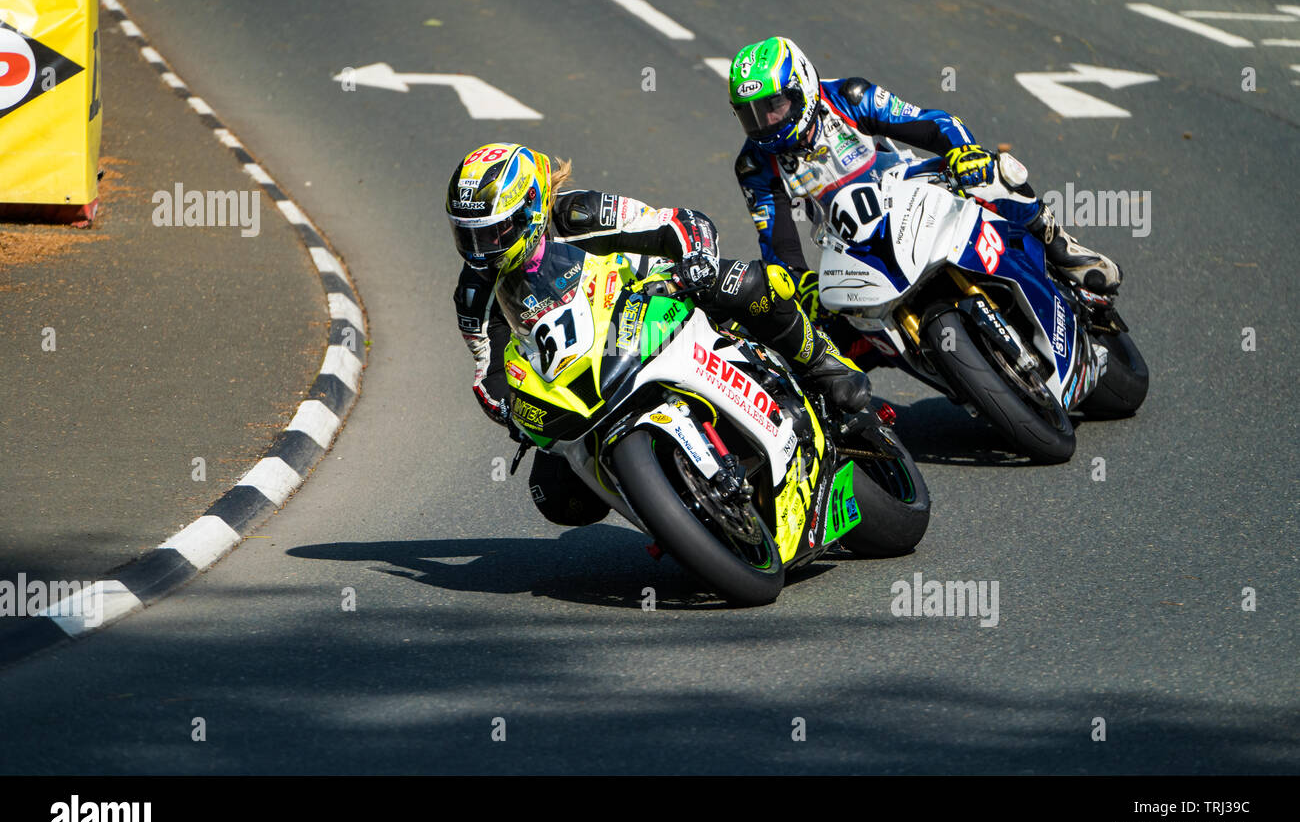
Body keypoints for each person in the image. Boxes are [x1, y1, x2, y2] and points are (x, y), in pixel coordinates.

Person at [448, 142, 871, 527]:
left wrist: (696, 262)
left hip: (656, 299)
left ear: (532, 208)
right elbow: (490, 374)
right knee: (556, 497)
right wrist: (513, 411)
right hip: (581, 376)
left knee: (754, 283)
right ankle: (680, 514)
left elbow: (678, 223)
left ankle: (825, 363)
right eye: (467, 235)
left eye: (492, 232)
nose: (480, 249)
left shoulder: (579, 215)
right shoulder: (474, 295)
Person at [728, 36, 1122, 328]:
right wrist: (799, 286)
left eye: (774, 107)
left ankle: (1061, 247)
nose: (767, 124)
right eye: (753, 115)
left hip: (910, 187)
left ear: (803, 88)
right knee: (821, 323)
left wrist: (963, 151)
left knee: (995, 173)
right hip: (851, 245)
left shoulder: (850, 96)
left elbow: (933, 125)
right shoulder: (755, 166)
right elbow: (778, 244)